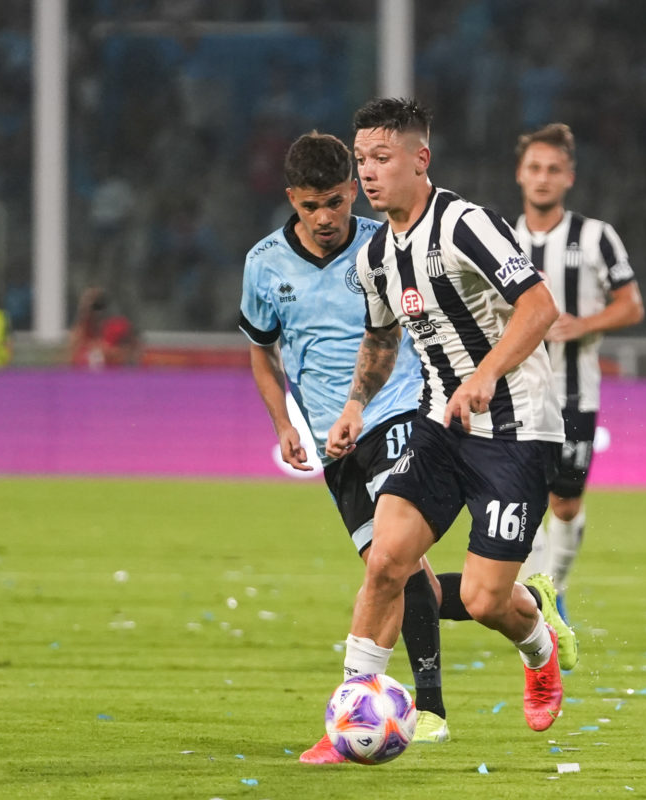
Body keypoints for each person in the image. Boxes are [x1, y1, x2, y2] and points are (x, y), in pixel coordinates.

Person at [326, 97, 573, 734]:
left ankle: (539, 648)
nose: (369, 173)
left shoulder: (467, 225)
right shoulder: (374, 257)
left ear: (420, 159)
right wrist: (355, 405)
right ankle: (351, 716)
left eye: (382, 158)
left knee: (482, 600)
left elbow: (539, 307)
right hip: (440, 425)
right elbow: (381, 339)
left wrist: (486, 374)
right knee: (385, 562)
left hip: (517, 431)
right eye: (362, 161)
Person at [239, 131, 456, 764]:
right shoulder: (265, 264)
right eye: (311, 206)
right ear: (292, 200)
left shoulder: (384, 246)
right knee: (387, 571)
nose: (326, 217)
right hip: (335, 445)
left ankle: (423, 708)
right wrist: (284, 424)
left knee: (392, 560)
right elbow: (260, 352)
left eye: (335, 201)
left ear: (353, 190)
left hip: (400, 413)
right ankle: (520, 607)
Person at [511, 123, 644, 625]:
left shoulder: (595, 237)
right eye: (534, 169)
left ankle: (556, 586)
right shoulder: (501, 238)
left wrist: (583, 324)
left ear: (568, 177)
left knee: (565, 503)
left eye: (553, 170)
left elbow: (632, 306)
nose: (542, 178)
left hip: (573, 393)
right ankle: (535, 597)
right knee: (518, 496)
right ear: (519, 175)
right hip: (515, 395)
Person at [69, 287, 140, 369]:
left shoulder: (117, 326)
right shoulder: (80, 333)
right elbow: (73, 358)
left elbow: (134, 349)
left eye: (98, 306)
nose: (93, 313)